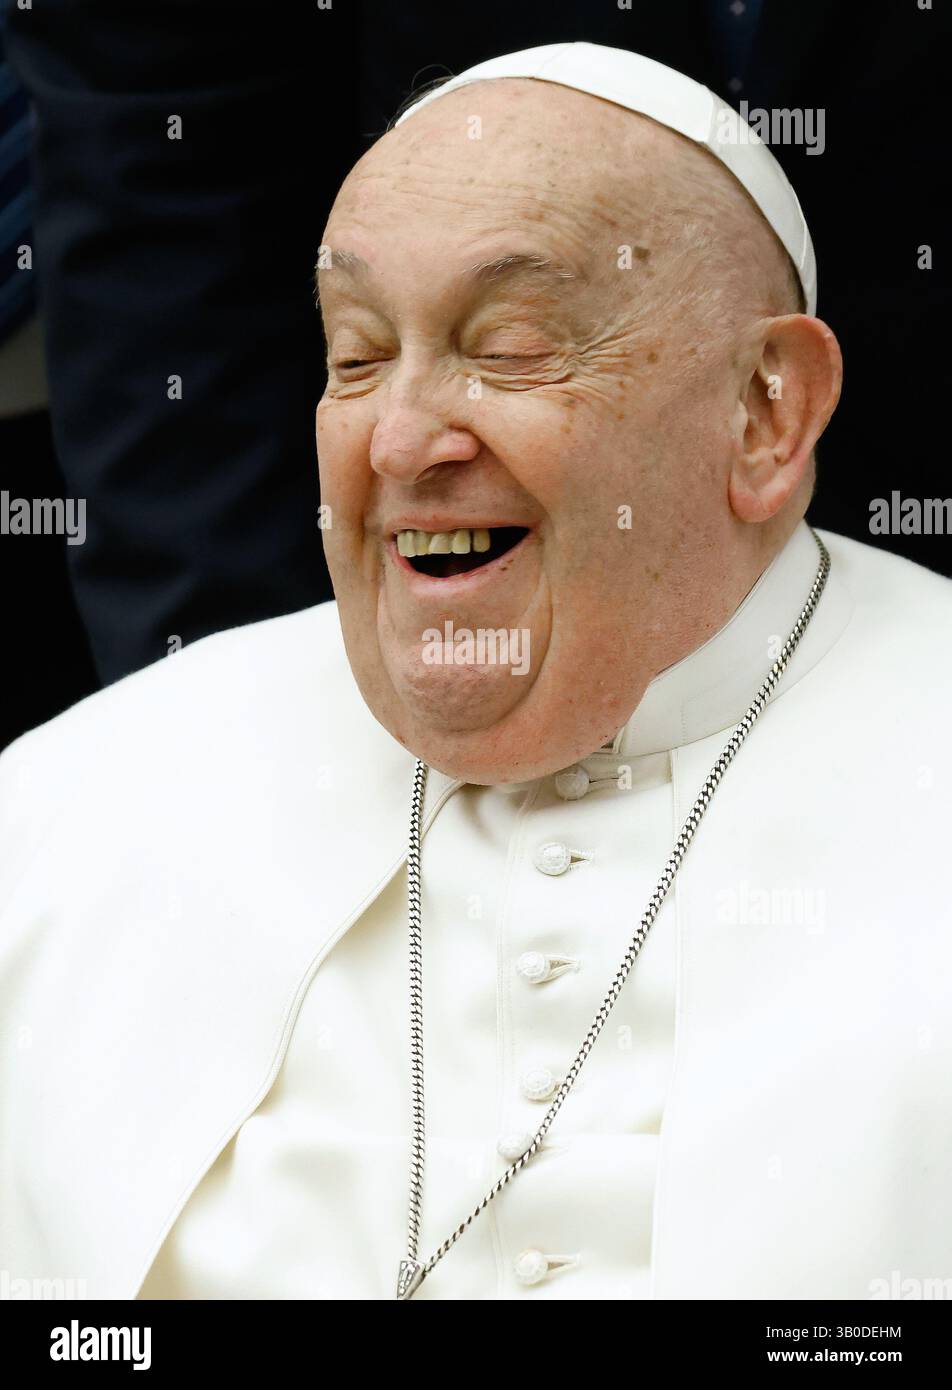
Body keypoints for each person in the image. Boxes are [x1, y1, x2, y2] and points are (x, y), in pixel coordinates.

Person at [1, 43, 949, 1302]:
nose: (399, 439)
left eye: (506, 346)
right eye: (354, 353)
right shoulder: (70, 805)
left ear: (766, 411)